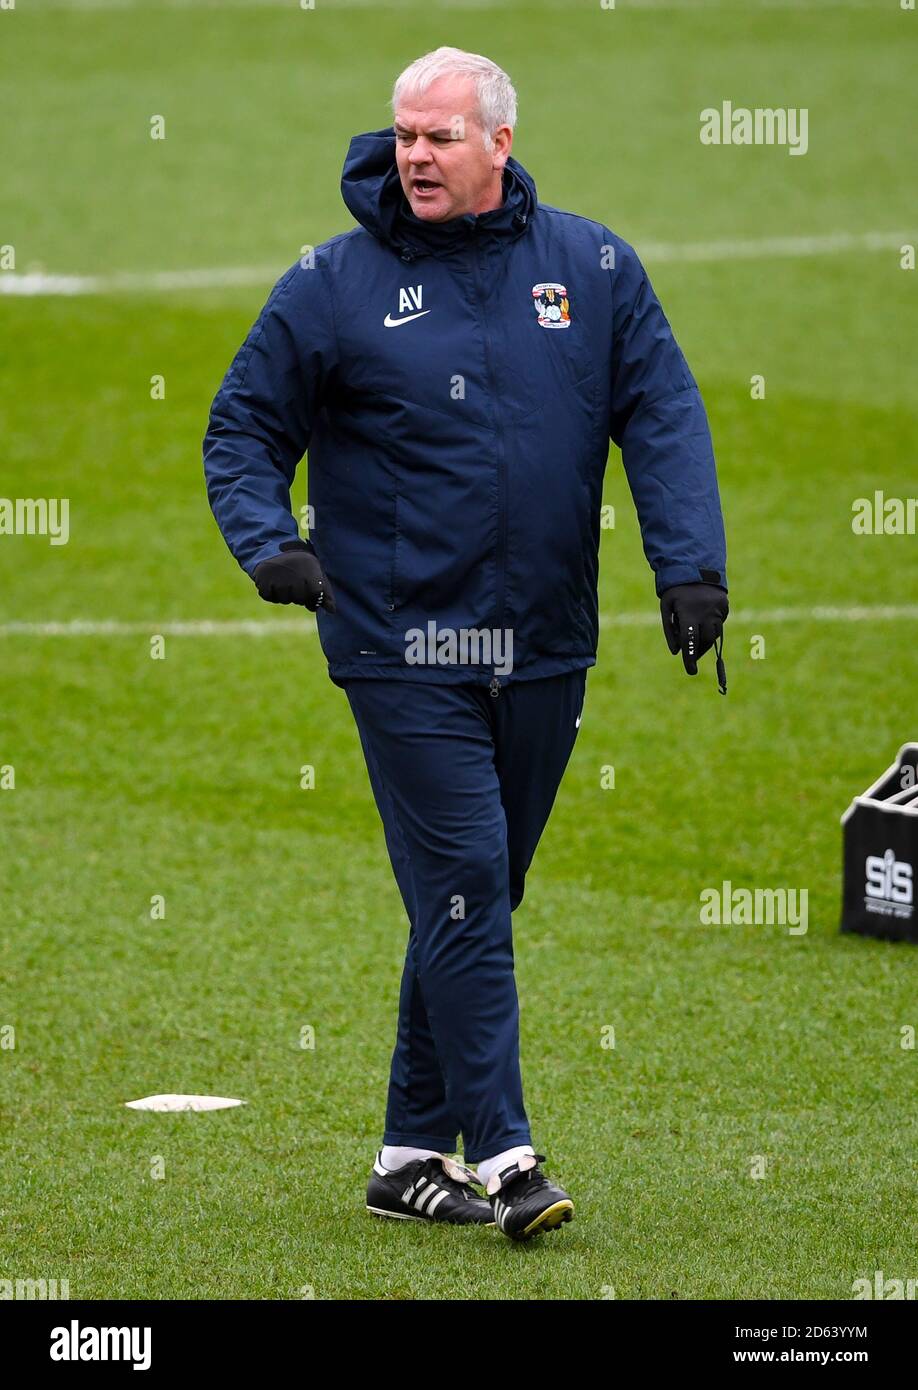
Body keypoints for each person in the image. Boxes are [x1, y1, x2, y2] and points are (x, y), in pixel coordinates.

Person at [203, 46, 728, 1241]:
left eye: (439, 136)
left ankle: (403, 1156)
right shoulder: (331, 284)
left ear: (500, 141)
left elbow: (663, 408)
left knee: (475, 895)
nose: (415, 156)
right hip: (399, 643)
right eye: (403, 135)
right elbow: (240, 426)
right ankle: (504, 1152)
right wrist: (267, 542)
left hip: (543, 639)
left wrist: (689, 564)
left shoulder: (590, 268)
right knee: (464, 882)